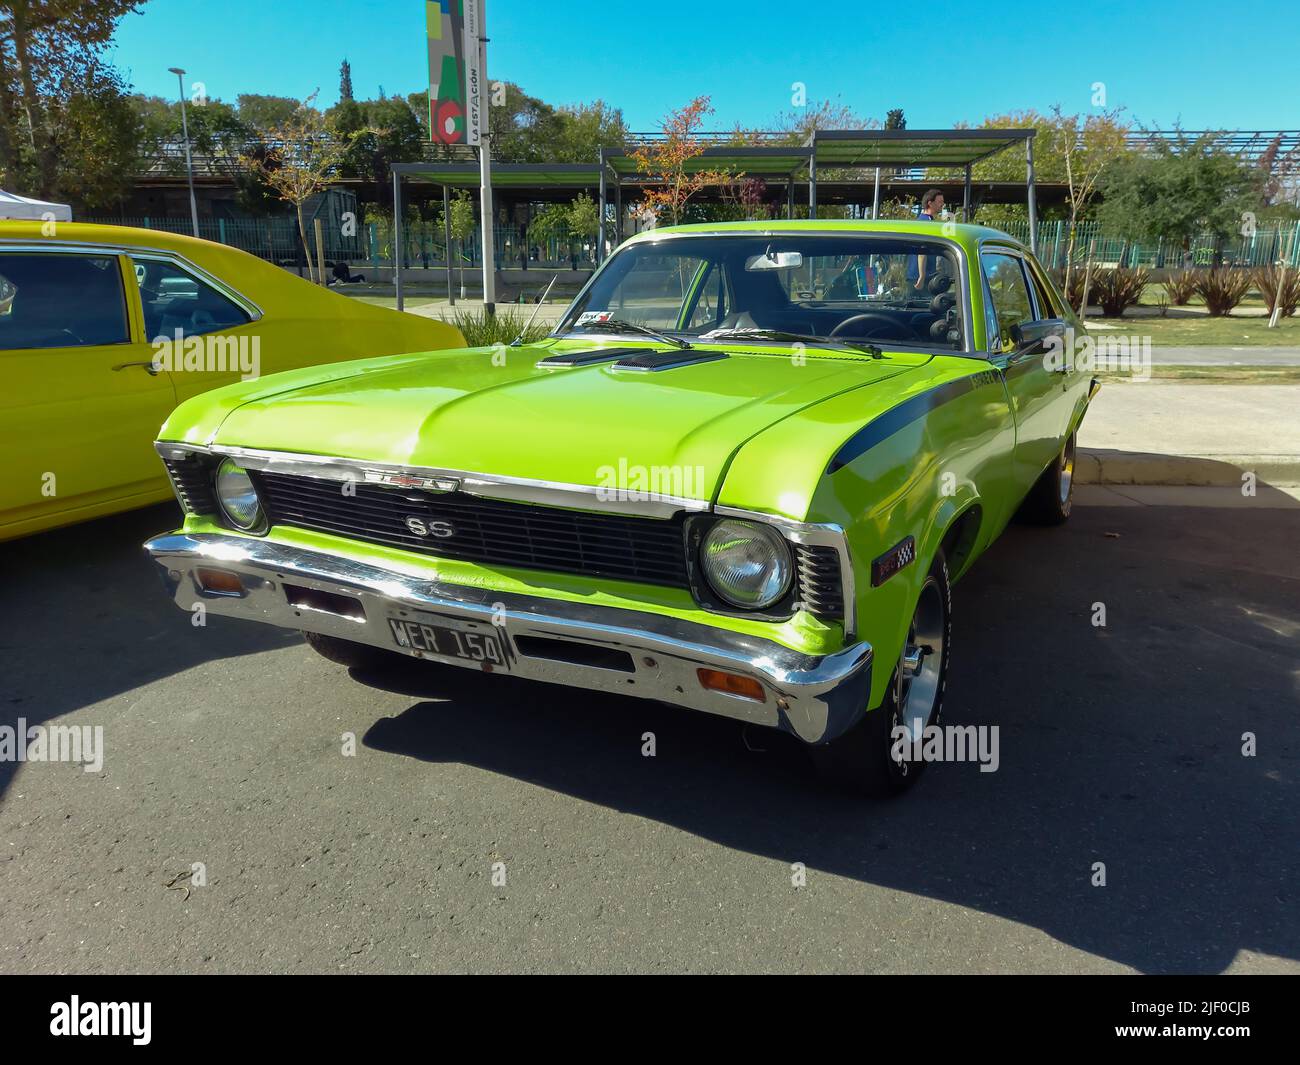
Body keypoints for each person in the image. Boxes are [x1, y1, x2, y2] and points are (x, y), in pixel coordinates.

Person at [909, 188, 945, 292]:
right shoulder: (927, 223)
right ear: (930, 203)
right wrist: (922, 276)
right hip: (922, 277)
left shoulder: (919, 221)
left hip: (914, 273)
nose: (942, 204)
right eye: (940, 202)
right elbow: (922, 251)